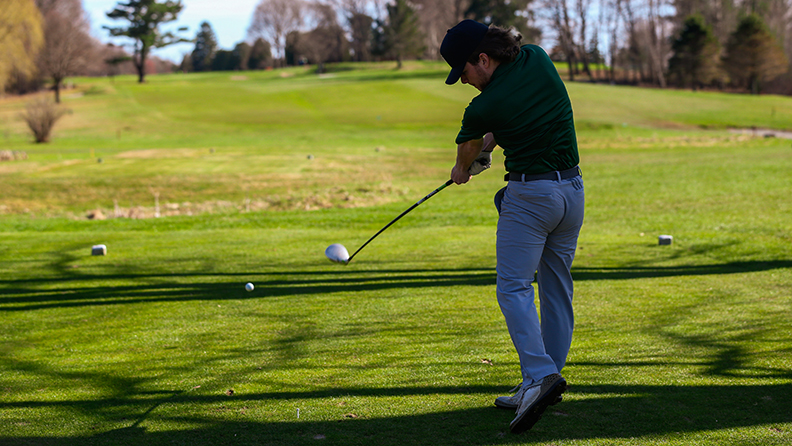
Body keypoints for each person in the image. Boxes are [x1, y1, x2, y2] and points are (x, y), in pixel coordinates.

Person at [440, 20, 585, 434]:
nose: (465, 81)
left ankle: (539, 375)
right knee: (556, 286)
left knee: (514, 287)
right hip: (571, 193)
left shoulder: (481, 106)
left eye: (464, 72)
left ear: (482, 58)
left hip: (532, 197)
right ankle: (542, 380)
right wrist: (491, 145)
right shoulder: (537, 58)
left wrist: (462, 169)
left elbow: (468, 147)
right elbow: (517, 117)